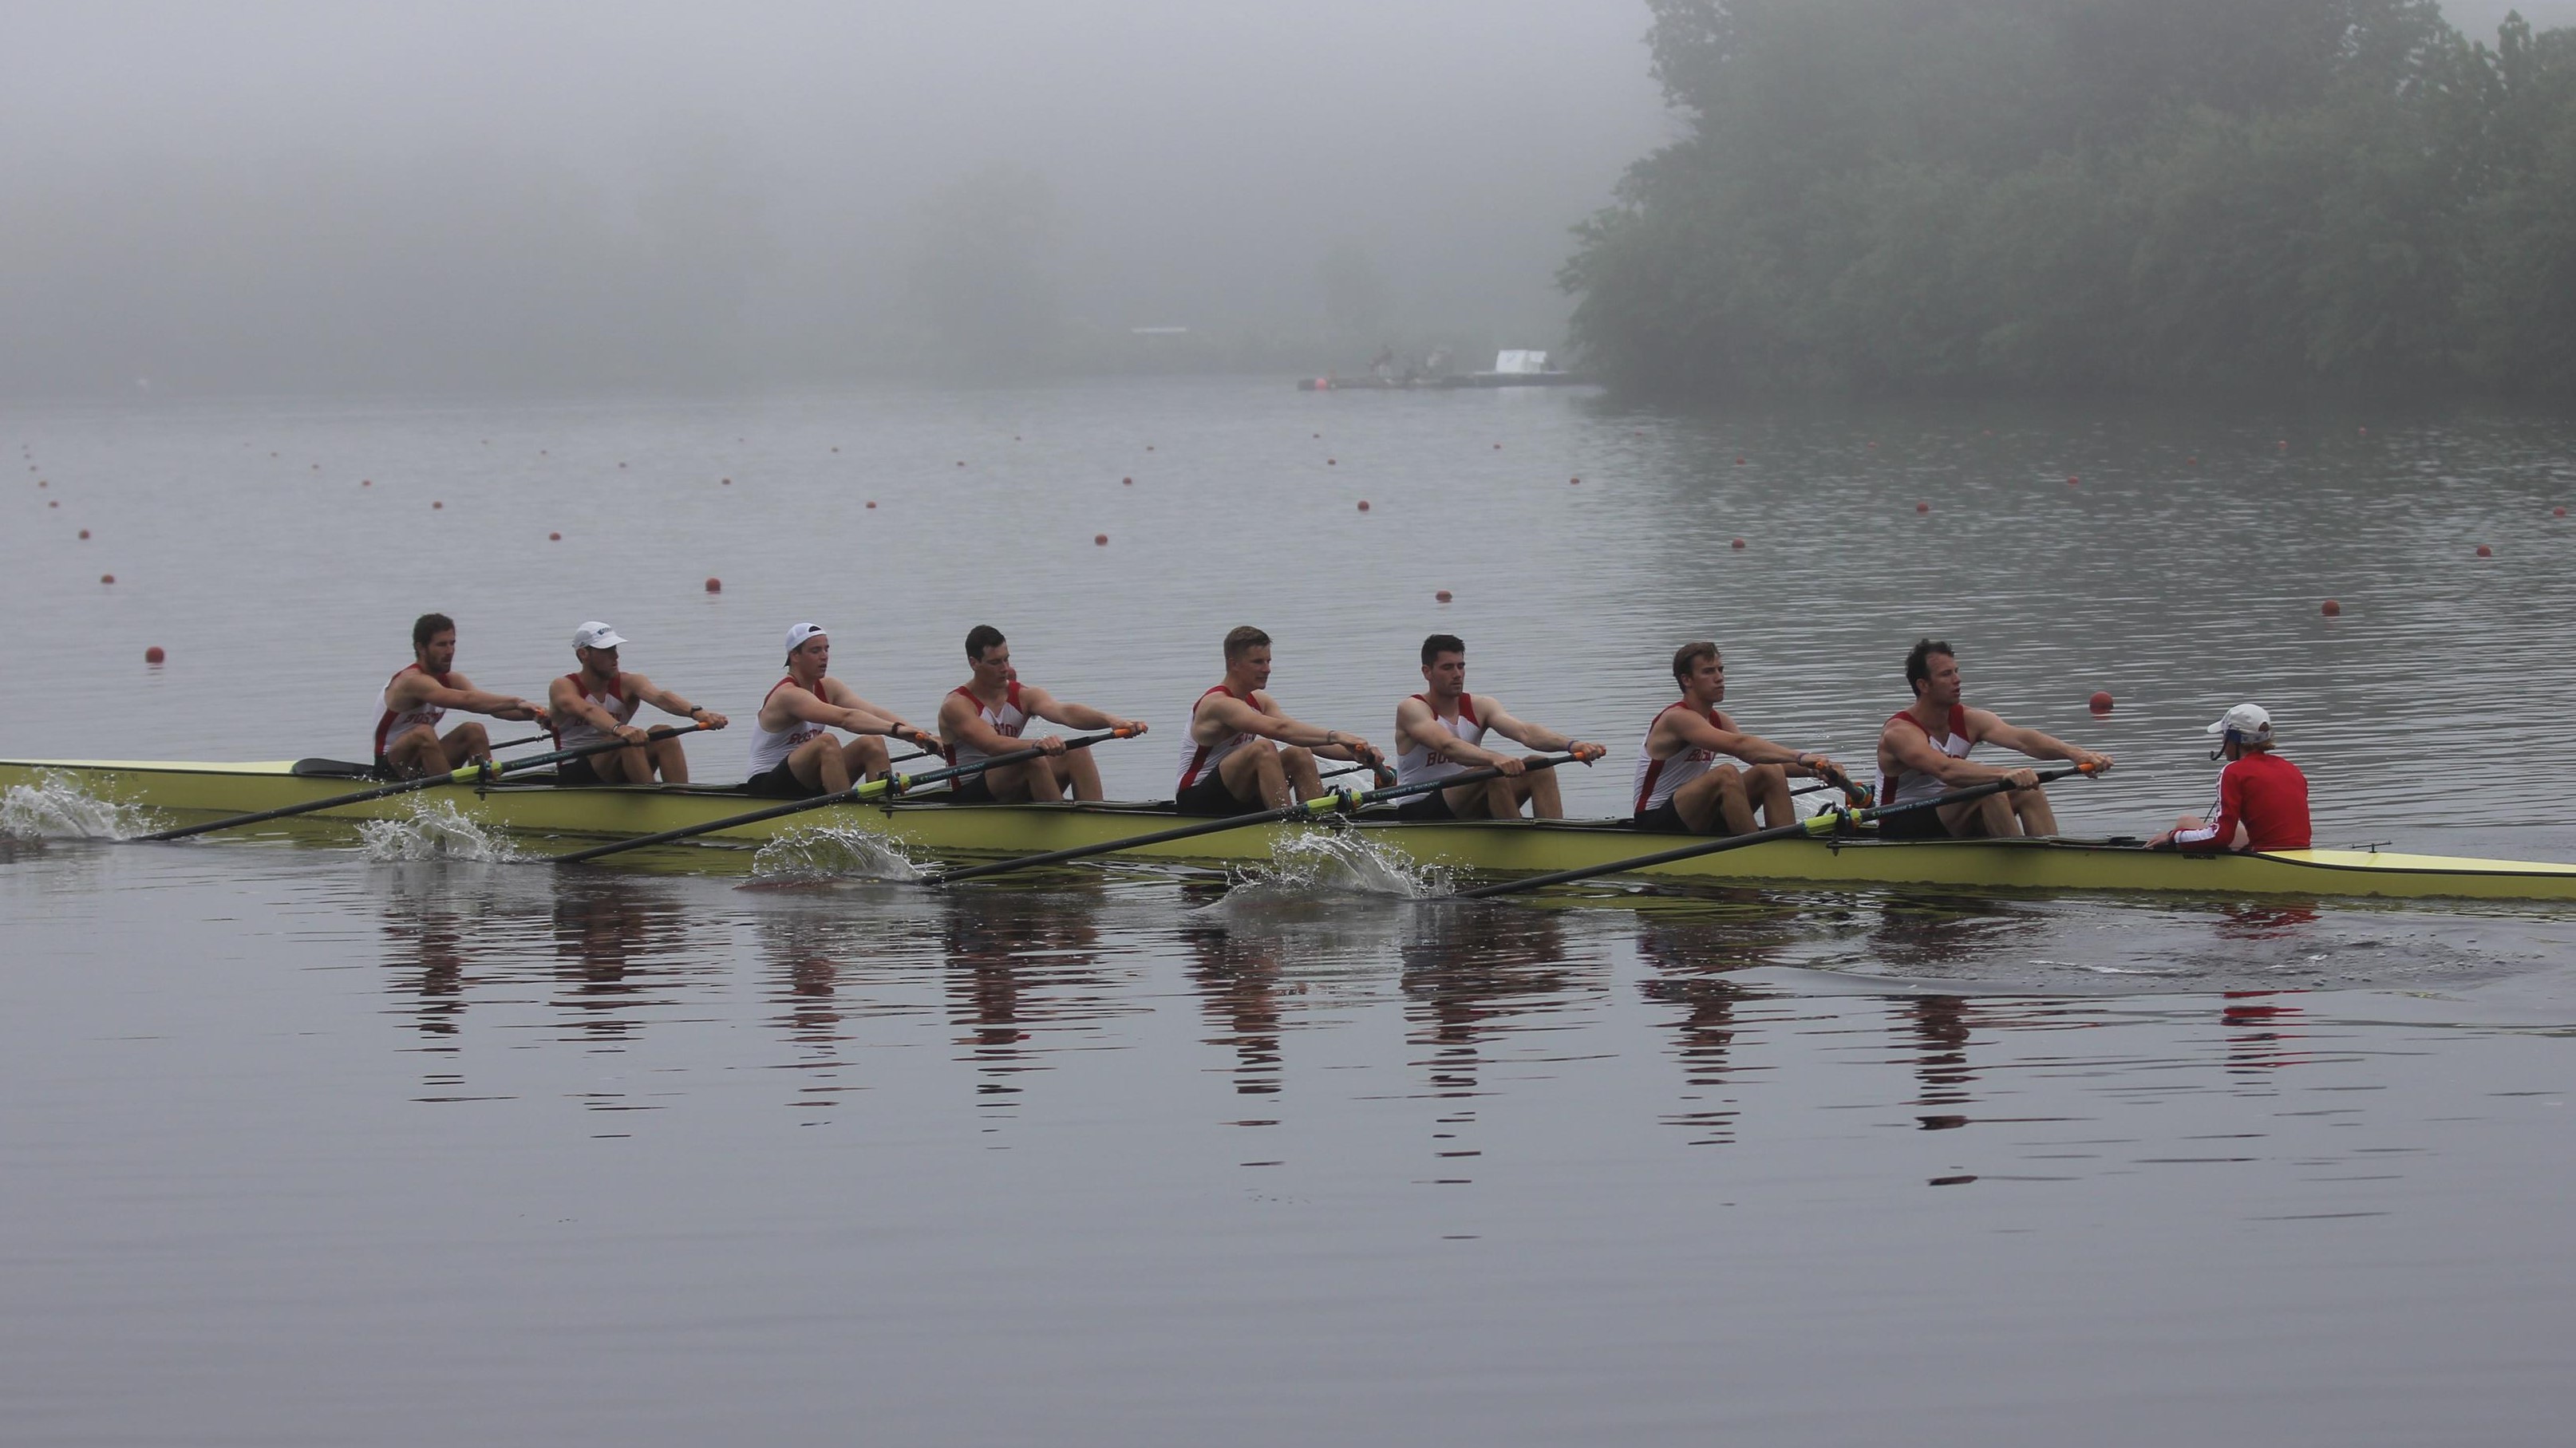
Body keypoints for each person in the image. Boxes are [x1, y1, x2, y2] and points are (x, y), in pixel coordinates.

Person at [1875, 637, 2112, 838]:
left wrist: (2076, 754)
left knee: (2031, 790)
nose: (1957, 680)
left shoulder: (1969, 719)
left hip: (1951, 812)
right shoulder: (1900, 732)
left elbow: (2024, 740)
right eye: (1946, 674)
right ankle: (2023, 867)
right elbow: (1945, 769)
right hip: (1900, 822)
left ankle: (2050, 856)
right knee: (1990, 789)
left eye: (1956, 671)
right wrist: (2004, 774)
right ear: (1923, 685)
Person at [1633, 641, 1852, 834]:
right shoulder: (1676, 718)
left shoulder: (1719, 720)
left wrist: (1819, 768)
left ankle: (1786, 846)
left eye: (1720, 670)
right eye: (1708, 672)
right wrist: (1801, 755)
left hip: (1698, 813)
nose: (1719, 678)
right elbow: (1741, 746)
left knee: (1770, 769)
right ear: (1687, 680)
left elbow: (1757, 757)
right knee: (1726, 774)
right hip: (1655, 820)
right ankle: (1757, 851)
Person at [1174, 625, 1385, 815]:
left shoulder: (1259, 701)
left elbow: (1302, 738)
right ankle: (1287, 829)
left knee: (1299, 753)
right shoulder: (1218, 703)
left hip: (1239, 793)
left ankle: (1317, 826)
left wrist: (1358, 752)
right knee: (1263, 748)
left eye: (1268, 661)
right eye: (1258, 662)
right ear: (1234, 664)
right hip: (1197, 800)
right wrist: (1337, 736)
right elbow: (1280, 729)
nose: (1267, 669)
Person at [1392, 633, 1605, 819]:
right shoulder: (1412, 709)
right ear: (1427, 672)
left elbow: (1526, 733)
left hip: (1471, 797)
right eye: (1447, 668)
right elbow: (1448, 746)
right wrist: (1496, 759)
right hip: (1420, 806)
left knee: (1540, 767)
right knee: (1490, 771)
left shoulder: (1481, 705)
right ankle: (1519, 845)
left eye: (1461, 666)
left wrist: (1572, 745)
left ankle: (1554, 838)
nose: (1457, 674)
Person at [937, 625, 1147, 803]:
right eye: (995, 663)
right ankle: (1064, 828)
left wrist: (1111, 720)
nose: (1005, 668)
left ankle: (1096, 817)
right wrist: (1037, 745)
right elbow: (992, 744)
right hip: (969, 792)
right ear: (974, 663)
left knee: (1077, 750)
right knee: (1031, 759)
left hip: (1012, 779)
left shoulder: (1024, 695)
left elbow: (1065, 712)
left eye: (1006, 659)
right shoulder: (957, 705)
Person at [745, 623, 939, 799]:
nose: (824, 656)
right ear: (795, 656)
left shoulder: (829, 687)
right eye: (815, 651)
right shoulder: (788, 695)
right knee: (826, 743)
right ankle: (849, 819)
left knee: (872, 743)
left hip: (809, 778)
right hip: (768, 785)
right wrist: (897, 730)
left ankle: (883, 810)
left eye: (826, 649)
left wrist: (921, 735)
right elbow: (846, 719)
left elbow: (872, 712)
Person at [543, 621, 728, 785]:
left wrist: (699, 713)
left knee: (664, 733)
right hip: (575, 773)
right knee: (624, 739)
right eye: (606, 650)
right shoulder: (563, 686)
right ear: (583, 653)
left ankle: (682, 800)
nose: (615, 656)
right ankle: (653, 805)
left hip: (621, 760)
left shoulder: (629, 682)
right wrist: (620, 729)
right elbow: (588, 710)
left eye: (614, 648)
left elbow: (661, 697)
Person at [373, 612, 549, 779]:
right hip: (391, 766)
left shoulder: (452, 679)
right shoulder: (412, 681)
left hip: (424, 761)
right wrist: (518, 701)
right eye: (442, 645)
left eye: (452, 643)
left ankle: (487, 791)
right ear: (421, 648)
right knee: (423, 733)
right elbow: (467, 701)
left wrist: (540, 714)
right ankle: (453, 796)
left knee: (473, 730)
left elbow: (495, 709)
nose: (450, 651)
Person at [2147, 703, 2310, 852]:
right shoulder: (2290, 767)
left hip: (2267, 854)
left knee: (2185, 823)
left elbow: (2220, 837)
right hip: (2301, 849)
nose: (2222, 740)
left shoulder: (2233, 771)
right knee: (2190, 822)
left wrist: (2173, 837)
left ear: (2233, 738)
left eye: (2224, 735)